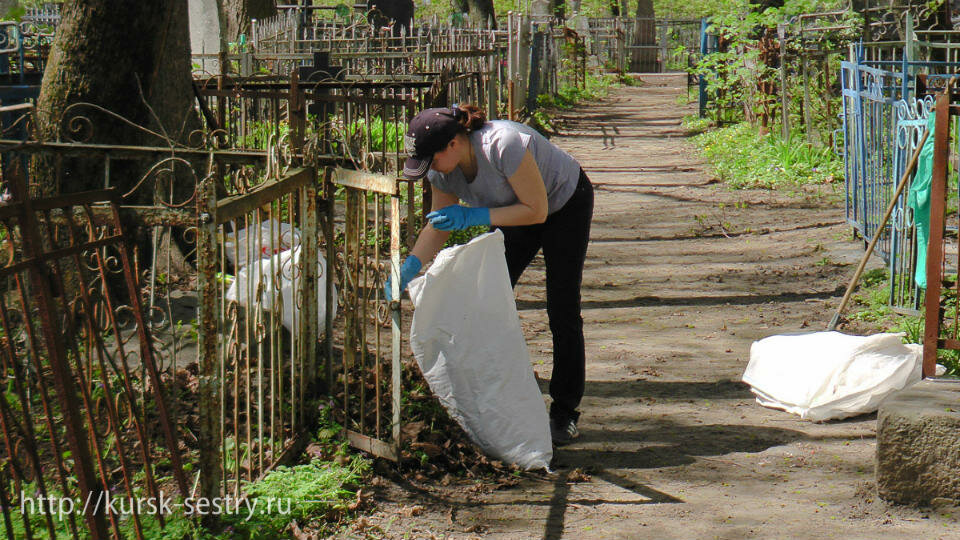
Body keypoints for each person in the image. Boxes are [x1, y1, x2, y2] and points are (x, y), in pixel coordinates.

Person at [386, 104, 594, 446]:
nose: (430, 170)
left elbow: (537, 210)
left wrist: (474, 216)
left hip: (562, 204)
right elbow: (437, 226)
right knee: (484, 302)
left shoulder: (503, 145)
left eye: (432, 159)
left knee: (562, 308)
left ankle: (565, 411)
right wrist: (408, 267)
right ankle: (487, 400)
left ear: (454, 143)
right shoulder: (443, 171)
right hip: (514, 211)